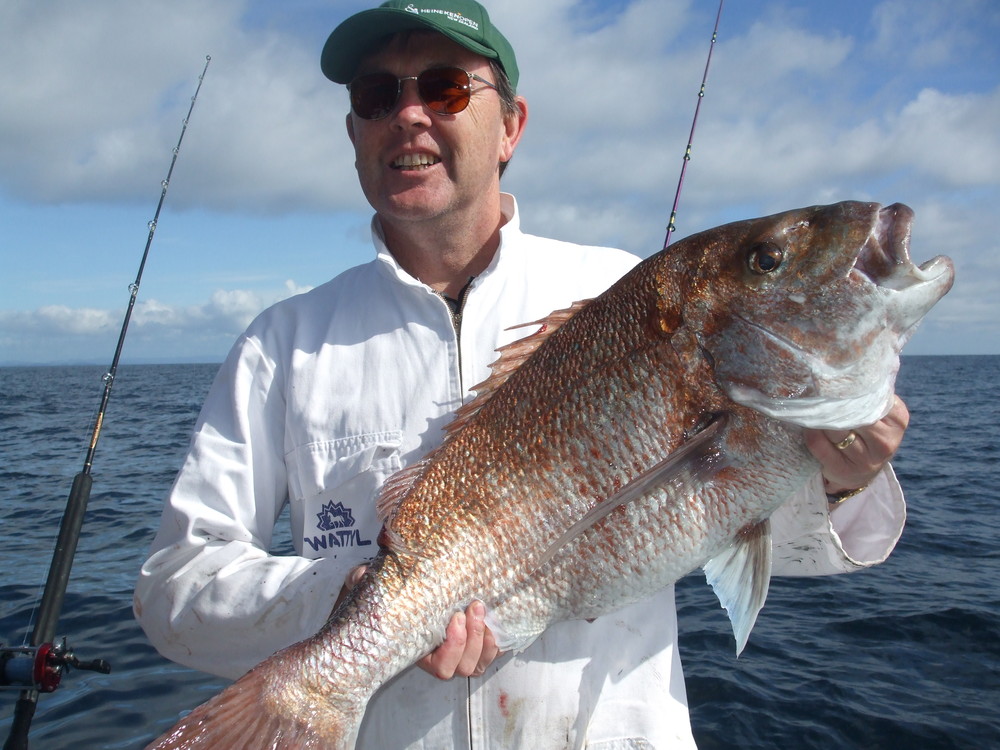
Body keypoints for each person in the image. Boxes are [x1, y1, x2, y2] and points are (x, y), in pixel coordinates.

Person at [134, 1, 910, 747]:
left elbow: (768, 542)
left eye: (444, 87)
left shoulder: (621, 294)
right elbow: (173, 589)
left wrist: (844, 481)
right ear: (355, 133)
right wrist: (343, 605)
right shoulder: (284, 344)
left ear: (510, 126)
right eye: (378, 95)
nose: (409, 115)